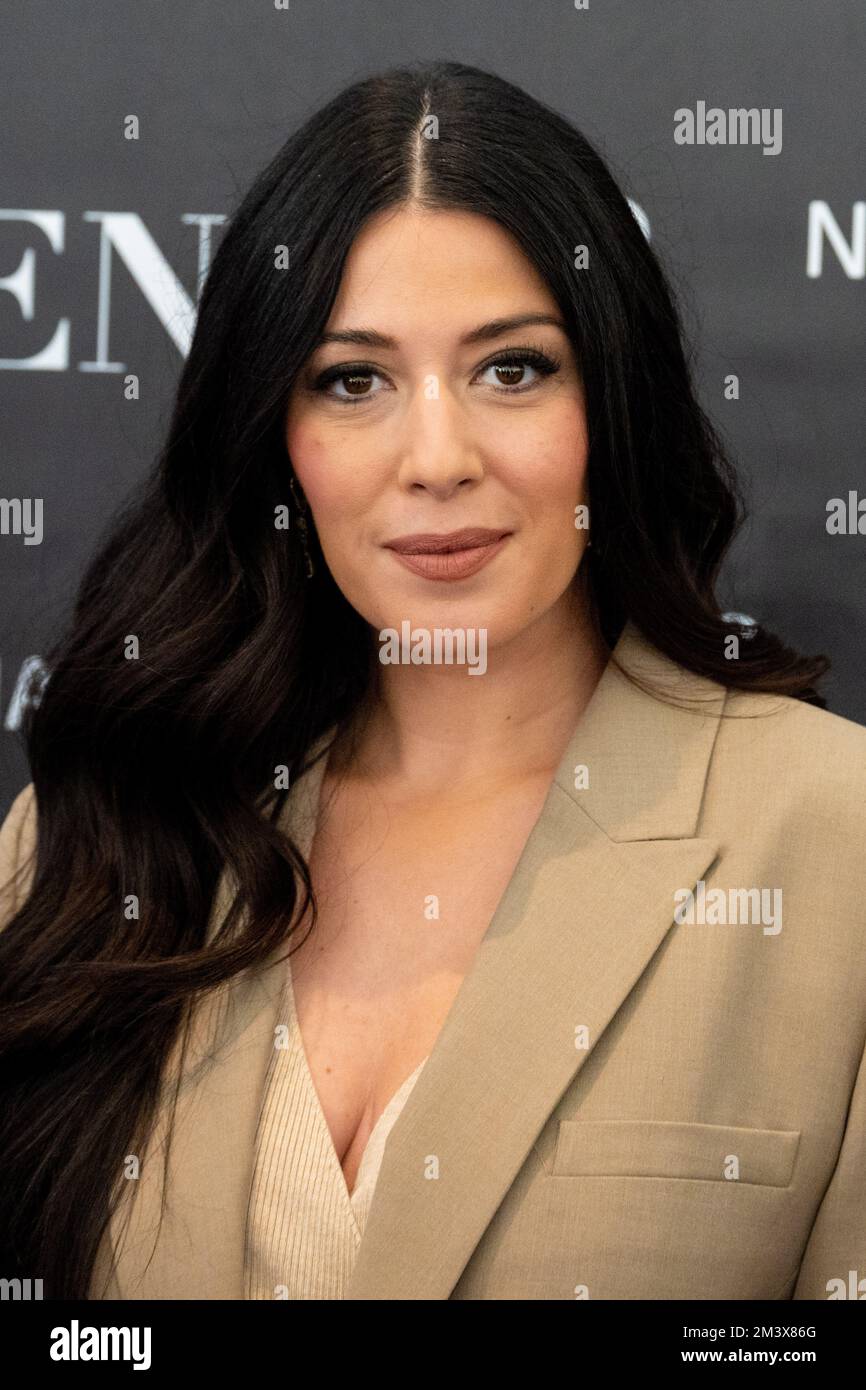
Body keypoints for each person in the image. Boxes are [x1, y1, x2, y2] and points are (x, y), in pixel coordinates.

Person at [1, 60, 864, 1301]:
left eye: (510, 368)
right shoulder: (97, 840)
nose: (437, 457)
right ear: (272, 435)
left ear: (608, 401)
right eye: (352, 380)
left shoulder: (830, 841)